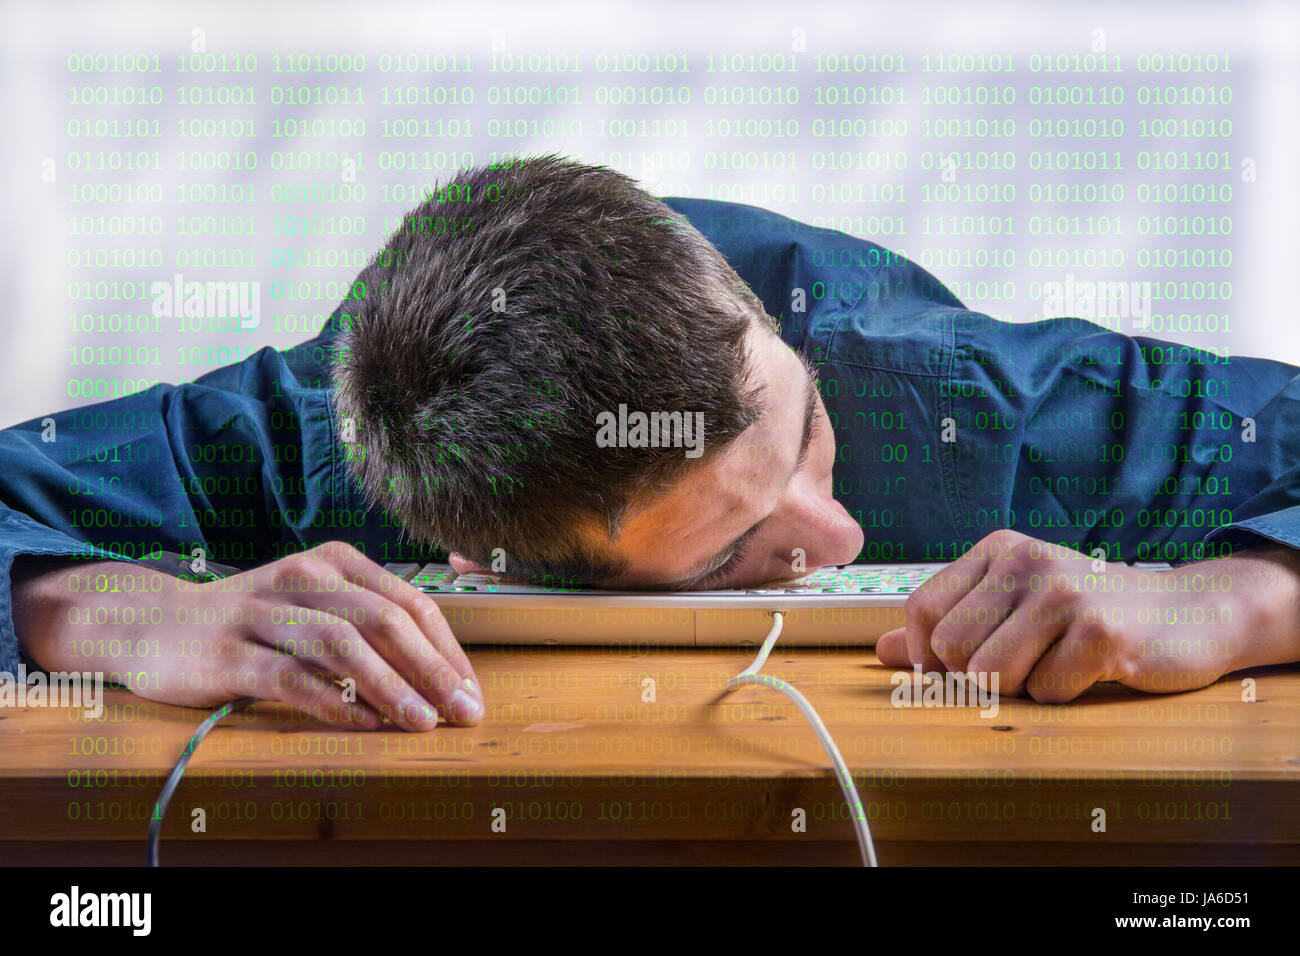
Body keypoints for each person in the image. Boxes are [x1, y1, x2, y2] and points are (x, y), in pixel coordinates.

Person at [4, 153, 1299, 731]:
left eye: (797, 432)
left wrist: (1236, 600)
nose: (836, 533)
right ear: (496, 566)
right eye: (738, 548)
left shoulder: (958, 401)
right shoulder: (315, 438)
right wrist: (104, 617)